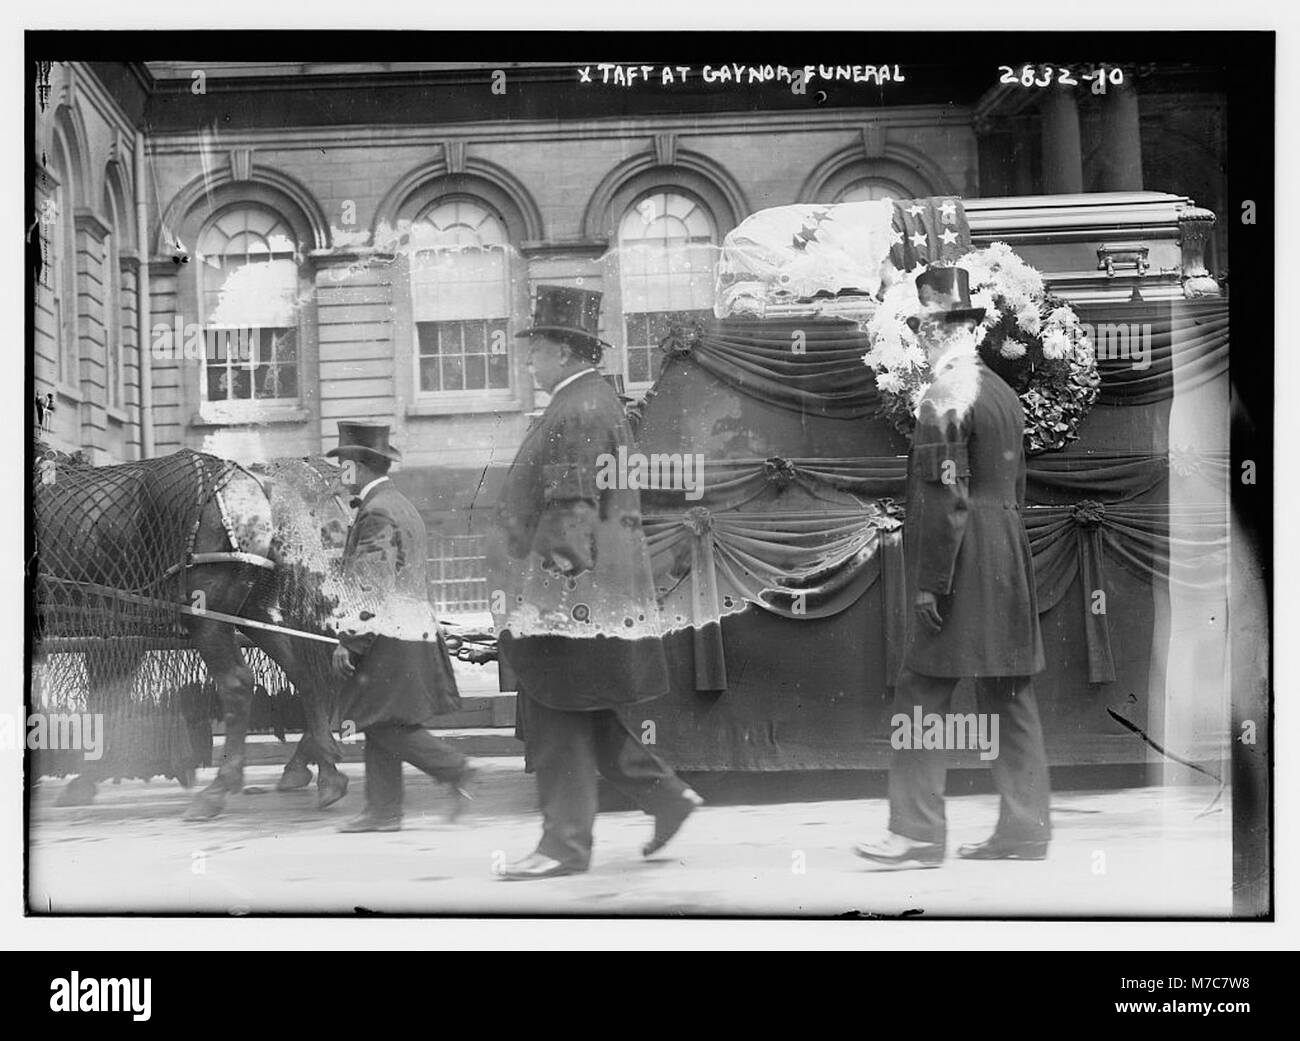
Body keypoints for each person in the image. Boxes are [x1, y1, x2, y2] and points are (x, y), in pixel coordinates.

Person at [489, 285, 702, 880]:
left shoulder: (577, 409)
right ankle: (668, 798)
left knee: (556, 721)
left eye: (536, 348)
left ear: (564, 351)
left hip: (569, 603)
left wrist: (545, 601)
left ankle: (563, 847)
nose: (528, 359)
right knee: (582, 713)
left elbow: (571, 507)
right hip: (593, 599)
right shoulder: (590, 401)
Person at [855, 266, 1051, 869]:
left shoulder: (945, 395)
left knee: (920, 694)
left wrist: (931, 583)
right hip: (1005, 555)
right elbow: (1010, 485)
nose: (920, 338)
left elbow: (945, 496)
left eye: (924, 326)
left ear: (938, 330)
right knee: (1007, 693)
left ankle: (915, 833)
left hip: (961, 561)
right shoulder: (1001, 392)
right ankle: (1026, 830)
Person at [328, 421, 475, 832]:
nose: (341, 474)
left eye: (343, 464)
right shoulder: (398, 505)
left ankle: (456, 769)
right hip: (408, 633)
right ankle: (383, 812)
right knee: (382, 721)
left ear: (359, 466)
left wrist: (350, 641)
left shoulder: (376, 513)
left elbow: (371, 583)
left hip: (388, 640)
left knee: (382, 722)